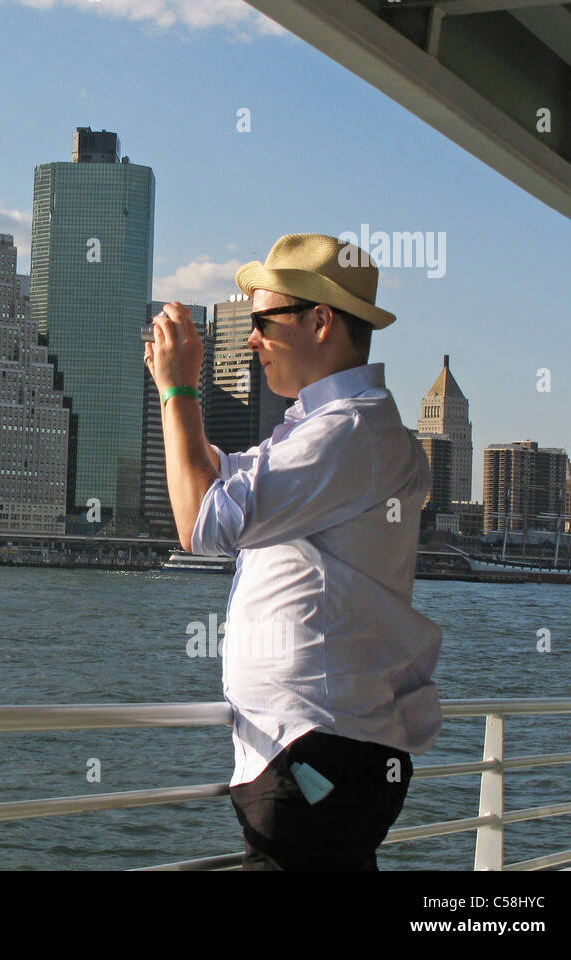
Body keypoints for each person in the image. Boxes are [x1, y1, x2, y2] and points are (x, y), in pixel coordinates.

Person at [144, 232, 442, 871]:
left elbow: (202, 522)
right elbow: (215, 477)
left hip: (317, 754)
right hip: (318, 752)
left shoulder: (347, 433)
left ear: (320, 320)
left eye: (261, 321)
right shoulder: (333, 432)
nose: (250, 338)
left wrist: (179, 391)